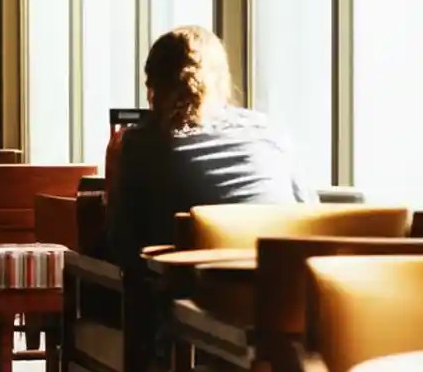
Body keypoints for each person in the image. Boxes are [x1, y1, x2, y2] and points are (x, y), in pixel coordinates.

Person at [107, 25, 315, 269]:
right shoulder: (269, 130)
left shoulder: (142, 143)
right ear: (222, 81)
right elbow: (309, 209)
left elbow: (124, 246)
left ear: (152, 90)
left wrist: (114, 173)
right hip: (287, 287)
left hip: (199, 298)